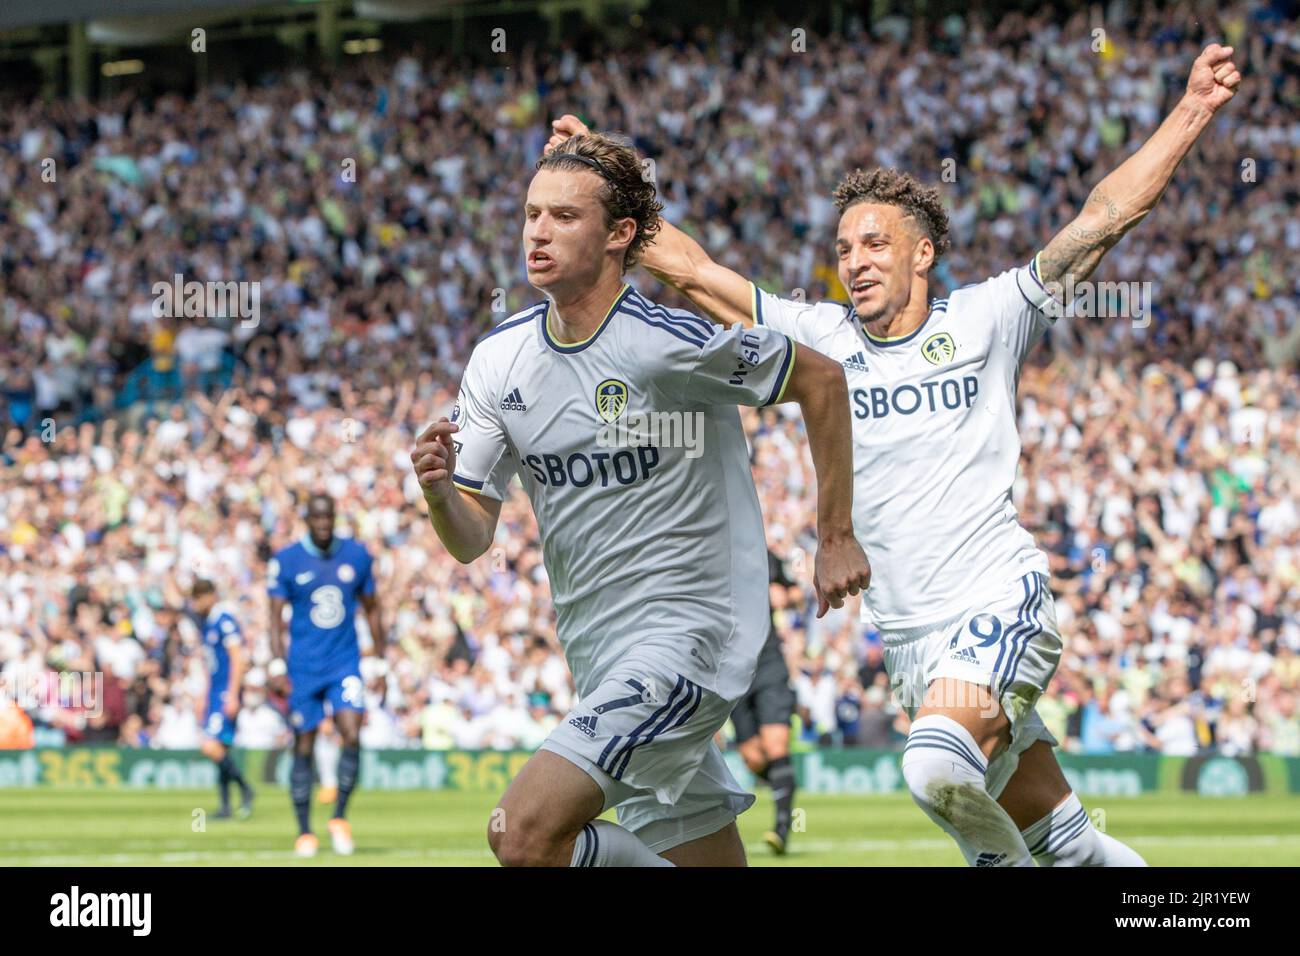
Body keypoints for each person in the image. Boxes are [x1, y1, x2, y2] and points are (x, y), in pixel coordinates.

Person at [543, 43, 1241, 866]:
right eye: (843, 249)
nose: (855, 262)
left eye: (875, 244)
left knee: (935, 765)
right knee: (1068, 844)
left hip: (994, 598)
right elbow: (690, 270)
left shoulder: (986, 319)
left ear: (922, 253)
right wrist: (597, 179)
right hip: (912, 646)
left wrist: (1193, 107)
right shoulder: (824, 338)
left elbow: (1100, 218)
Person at [413, 131, 870, 866]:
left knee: (523, 835)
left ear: (620, 235)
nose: (537, 231)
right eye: (532, 213)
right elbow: (471, 539)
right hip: (599, 652)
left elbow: (821, 378)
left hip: (688, 639)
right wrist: (439, 494)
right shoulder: (498, 361)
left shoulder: (665, 345)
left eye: (564, 216)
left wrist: (836, 534)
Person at [268, 493, 386, 857]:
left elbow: (373, 610)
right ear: (307, 520)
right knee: (303, 743)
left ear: (334, 518)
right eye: (316, 519)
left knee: (351, 732)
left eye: (327, 518)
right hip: (302, 666)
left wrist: (380, 661)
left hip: (344, 663)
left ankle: (339, 817)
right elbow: (274, 618)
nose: (322, 524)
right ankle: (304, 831)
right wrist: (275, 663)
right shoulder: (286, 560)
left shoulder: (356, 555)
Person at [730, 551, 800, 854]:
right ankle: (786, 787)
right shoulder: (705, 550)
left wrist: (784, 594)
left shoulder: (764, 555)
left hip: (768, 659)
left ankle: (783, 828)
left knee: (776, 746)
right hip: (731, 666)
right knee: (754, 759)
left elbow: (794, 591)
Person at [192, 579, 254, 820]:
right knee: (221, 748)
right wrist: (203, 696)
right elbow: (210, 665)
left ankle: (245, 787)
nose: (196, 603)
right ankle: (226, 805)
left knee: (210, 746)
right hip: (215, 692)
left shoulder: (224, 620)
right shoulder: (209, 624)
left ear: (209, 595)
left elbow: (237, 657)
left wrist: (233, 694)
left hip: (225, 692)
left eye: (198, 597)